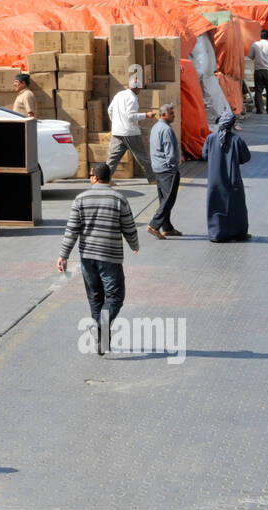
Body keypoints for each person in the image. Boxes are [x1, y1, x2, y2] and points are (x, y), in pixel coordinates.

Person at [56, 163, 140, 356]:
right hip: (110, 256)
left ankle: (101, 340)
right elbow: (129, 226)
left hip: (87, 257)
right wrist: (134, 244)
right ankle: (102, 327)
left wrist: (63, 255)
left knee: (95, 296)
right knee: (115, 297)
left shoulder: (80, 199)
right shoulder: (119, 199)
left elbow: (72, 230)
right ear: (109, 178)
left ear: (94, 178)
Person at [203, 111, 251, 242]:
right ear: (232, 125)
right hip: (232, 179)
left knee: (216, 205)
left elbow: (205, 155)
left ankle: (217, 233)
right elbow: (246, 157)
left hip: (215, 179)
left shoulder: (210, 139)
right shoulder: (237, 140)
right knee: (236, 206)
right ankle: (238, 233)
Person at [105, 80, 157, 181]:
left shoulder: (118, 95)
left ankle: (105, 180)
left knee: (112, 159)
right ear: (137, 88)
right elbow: (130, 116)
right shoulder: (132, 98)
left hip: (117, 132)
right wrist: (146, 115)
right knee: (142, 157)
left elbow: (109, 110)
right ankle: (153, 179)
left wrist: (116, 122)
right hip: (130, 133)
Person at [147, 103, 182, 239]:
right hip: (167, 169)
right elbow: (170, 152)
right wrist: (173, 166)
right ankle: (154, 225)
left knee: (164, 199)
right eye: (171, 113)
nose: (174, 115)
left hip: (158, 168)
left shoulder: (156, 127)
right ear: (163, 115)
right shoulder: (166, 130)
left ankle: (167, 228)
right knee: (169, 199)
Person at [249, 30, 268, 114]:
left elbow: (250, 56)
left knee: (258, 90)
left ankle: (260, 109)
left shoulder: (255, 44)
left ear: (260, 36)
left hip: (258, 70)